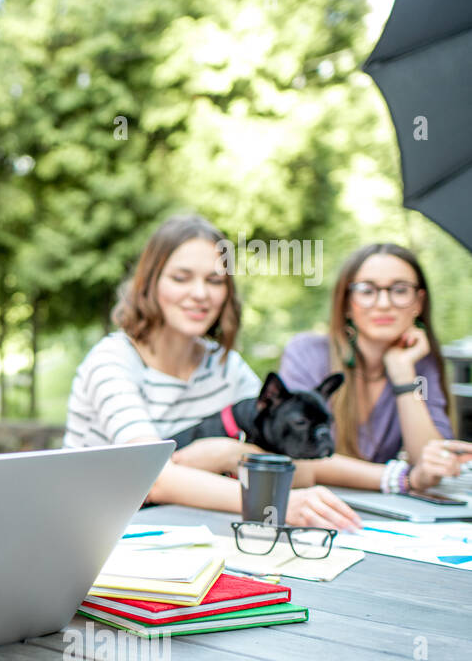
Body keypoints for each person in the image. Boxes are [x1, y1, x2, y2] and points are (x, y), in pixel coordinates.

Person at [64, 213, 360, 529]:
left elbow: (297, 466)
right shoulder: (112, 361)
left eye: (215, 280)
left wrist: (228, 454)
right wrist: (270, 500)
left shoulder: (225, 366)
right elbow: (152, 477)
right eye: (181, 278)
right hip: (90, 534)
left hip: (180, 533)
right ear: (149, 283)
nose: (200, 294)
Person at [280, 243, 472, 493]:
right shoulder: (307, 353)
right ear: (347, 302)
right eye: (367, 290)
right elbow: (294, 454)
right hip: (311, 506)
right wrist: (403, 479)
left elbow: (429, 463)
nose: (383, 303)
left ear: (419, 302)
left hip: (384, 516)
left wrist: (404, 376)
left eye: (400, 290)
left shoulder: (420, 363)